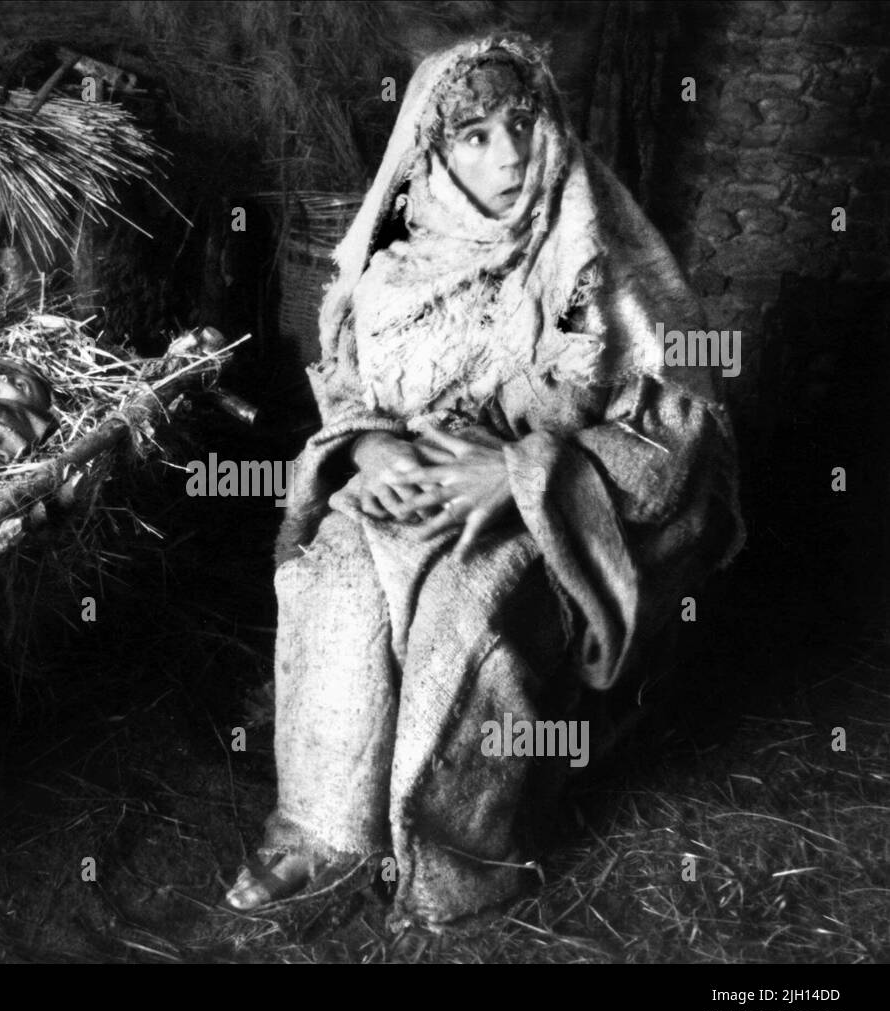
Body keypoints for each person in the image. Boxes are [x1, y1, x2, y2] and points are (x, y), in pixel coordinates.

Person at [225, 32, 746, 930]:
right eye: (474, 135)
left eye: (523, 122)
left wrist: (518, 473)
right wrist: (367, 453)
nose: (507, 154)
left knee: (466, 603)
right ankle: (323, 823)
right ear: (431, 150)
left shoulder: (596, 257)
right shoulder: (390, 262)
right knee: (339, 565)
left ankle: (454, 846)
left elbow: (682, 432)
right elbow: (348, 387)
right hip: (411, 478)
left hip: (553, 508)